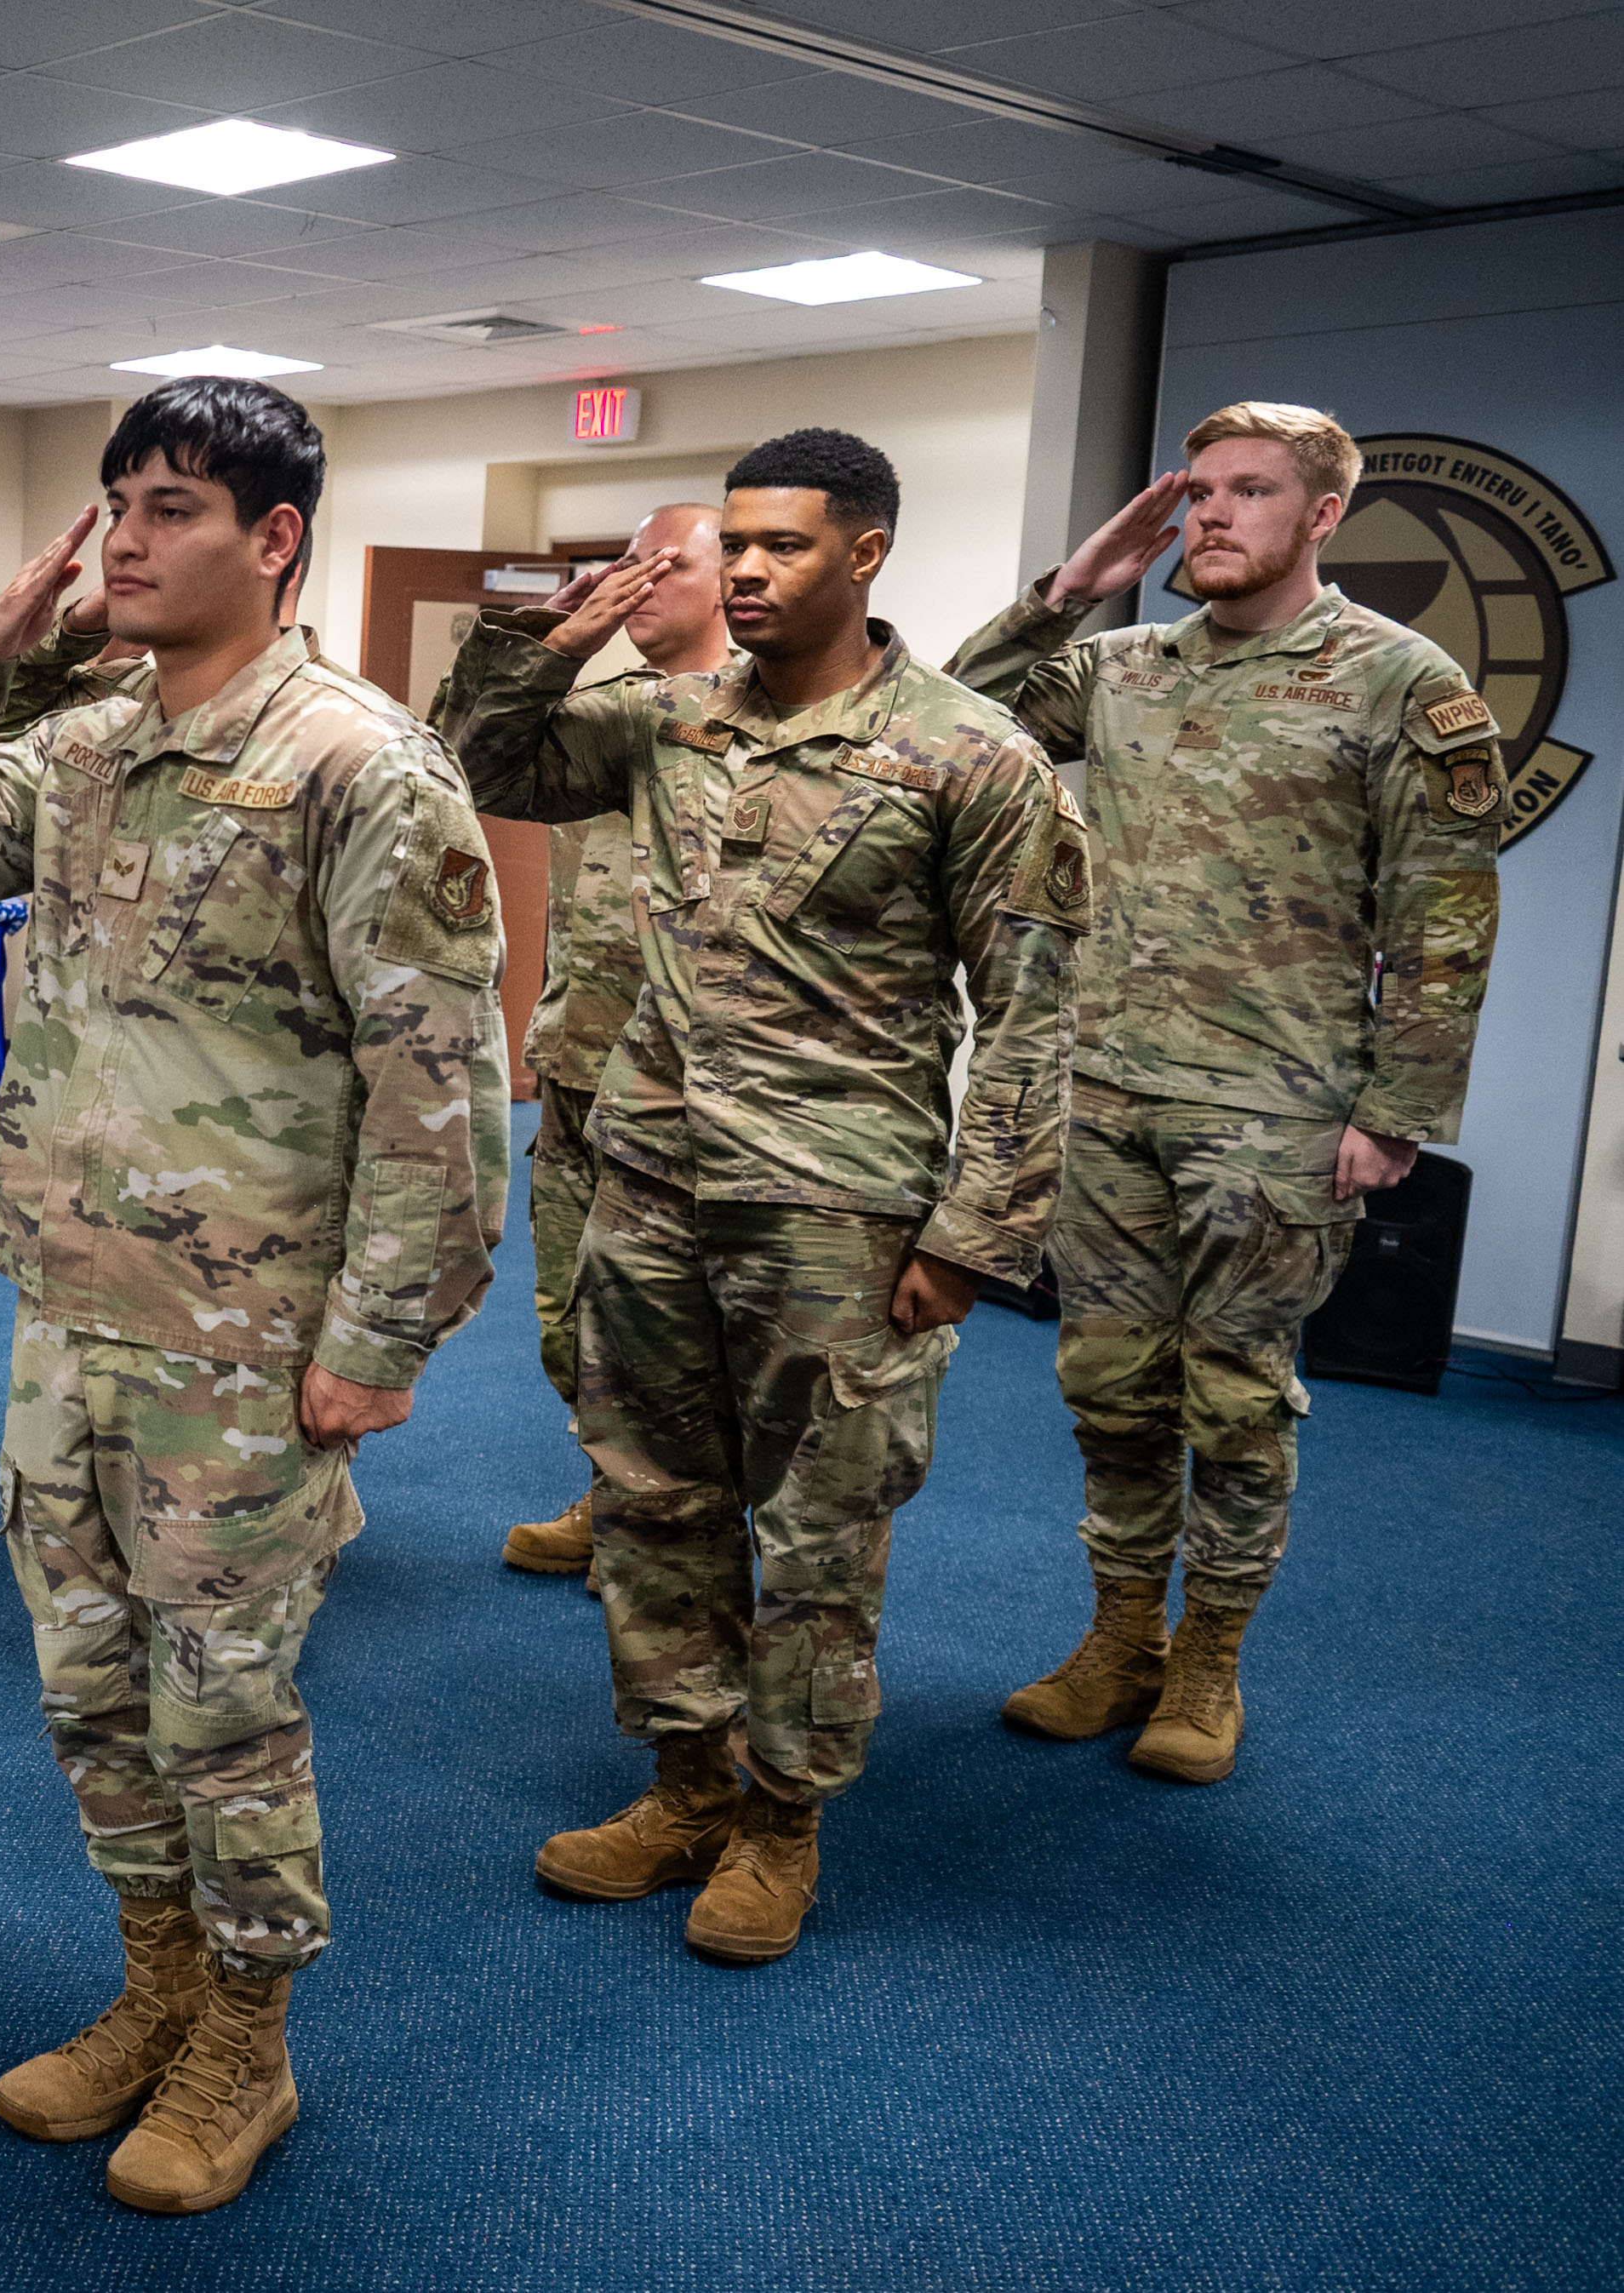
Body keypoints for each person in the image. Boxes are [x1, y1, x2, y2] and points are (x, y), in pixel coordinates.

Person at [0, 379, 506, 2215]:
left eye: (174, 506)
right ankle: (153, 1986)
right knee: (90, 1691)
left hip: (250, 1339)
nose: (125, 537)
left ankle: (249, 2036)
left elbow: (441, 1081)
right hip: (69, 1306)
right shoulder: (79, 741)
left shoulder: (364, 766)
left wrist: (378, 1349)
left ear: (275, 540)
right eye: (116, 500)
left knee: (222, 1702)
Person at [431, 429, 1088, 1968]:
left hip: (836, 1210)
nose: (741, 569)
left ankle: (781, 1818)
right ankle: (680, 1782)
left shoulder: (965, 750)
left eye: (780, 545)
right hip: (651, 1180)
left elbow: (1032, 1011)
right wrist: (544, 642)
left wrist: (969, 1236)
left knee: (814, 1528)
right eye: (731, 542)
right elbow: (486, 763)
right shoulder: (663, 723)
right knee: (652, 1502)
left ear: (863, 553)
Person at [947, 403, 1504, 1784]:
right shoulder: (1121, 666)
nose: (1208, 514)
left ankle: (1209, 1656)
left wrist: (1393, 1114)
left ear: (1319, 514)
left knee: (1234, 1396)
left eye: (1246, 491)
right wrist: (1067, 589)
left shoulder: (1398, 683)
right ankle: (1116, 1635)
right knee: (1106, 1383)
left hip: (1274, 1104)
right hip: (1108, 1086)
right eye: (1194, 491)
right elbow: (950, 721)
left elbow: (1441, 919)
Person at [500, 504, 730, 1582]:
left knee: (676, 1333)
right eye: (628, 566)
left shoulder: (756, 731)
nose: (640, 588)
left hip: (690, 1091)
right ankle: (614, 1490)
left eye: (668, 567)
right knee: (568, 1321)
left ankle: (681, 1522)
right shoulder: (606, 719)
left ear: (737, 578)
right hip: (580, 1064)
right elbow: (481, 760)